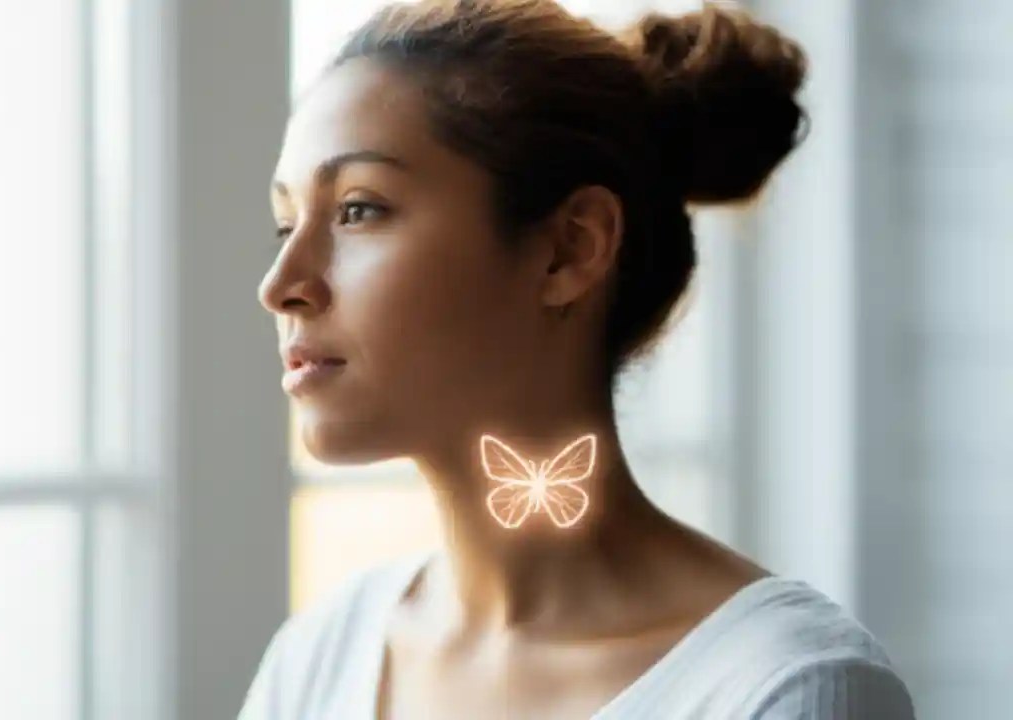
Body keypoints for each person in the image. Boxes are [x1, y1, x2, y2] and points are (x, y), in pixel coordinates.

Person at [243, 0, 917, 717]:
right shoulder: (320, 658)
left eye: (358, 209)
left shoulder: (785, 689)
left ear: (571, 249)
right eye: (286, 223)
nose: (281, 286)